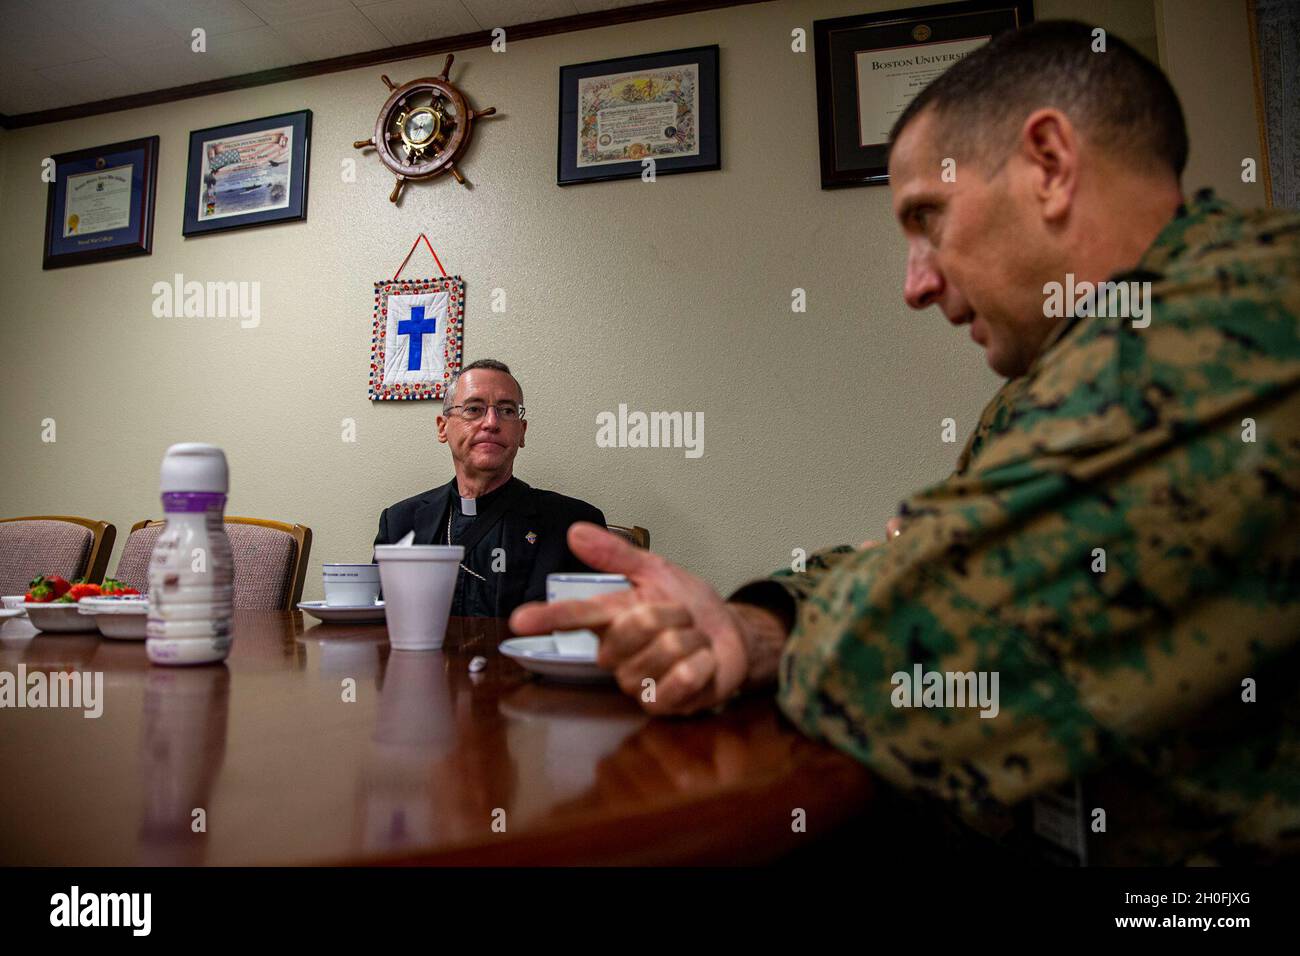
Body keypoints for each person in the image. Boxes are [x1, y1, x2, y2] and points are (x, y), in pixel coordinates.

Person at [511, 21, 1300, 864]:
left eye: (928, 218)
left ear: (1049, 164)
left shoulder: (1234, 318)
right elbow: (927, 566)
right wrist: (763, 621)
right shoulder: (1055, 379)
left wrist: (797, 624)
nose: (916, 284)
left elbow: (918, 652)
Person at [375, 358, 606, 618]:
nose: (491, 422)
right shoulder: (400, 523)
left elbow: (597, 630)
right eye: (474, 409)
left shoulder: (574, 526)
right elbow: (380, 626)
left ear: (522, 431)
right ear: (443, 427)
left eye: (507, 410)